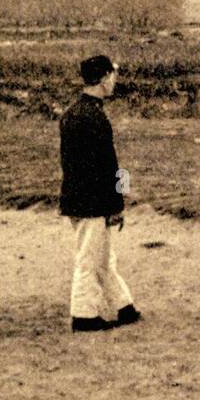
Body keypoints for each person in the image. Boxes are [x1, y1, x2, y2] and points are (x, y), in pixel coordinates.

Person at [59, 54, 140, 332]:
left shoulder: (72, 113)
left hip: (78, 198)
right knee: (90, 259)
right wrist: (116, 204)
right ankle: (83, 315)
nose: (114, 80)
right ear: (104, 78)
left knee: (102, 258)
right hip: (91, 202)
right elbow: (108, 166)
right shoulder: (95, 117)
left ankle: (124, 306)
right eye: (112, 75)